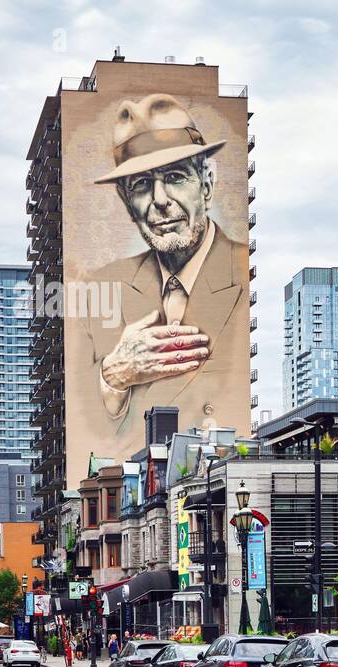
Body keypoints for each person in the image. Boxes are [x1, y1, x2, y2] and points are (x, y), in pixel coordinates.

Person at [73, 92, 250, 466]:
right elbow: (87, 417)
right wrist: (113, 376)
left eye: (174, 178)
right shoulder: (98, 289)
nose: (160, 200)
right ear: (126, 202)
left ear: (206, 185)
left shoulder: (240, 268)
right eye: (140, 185)